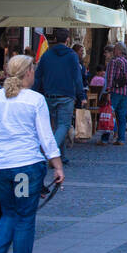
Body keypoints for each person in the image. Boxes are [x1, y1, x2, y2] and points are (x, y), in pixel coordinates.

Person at [0, 54, 63, 253]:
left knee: (9, 213)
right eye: (33, 71)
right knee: (25, 217)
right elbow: (46, 137)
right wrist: (56, 164)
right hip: (25, 165)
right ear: (27, 73)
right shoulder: (35, 100)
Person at [33, 27, 86, 156]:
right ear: (67, 40)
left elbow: (38, 76)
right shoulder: (72, 55)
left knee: (56, 126)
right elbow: (77, 78)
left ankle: (62, 156)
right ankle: (51, 151)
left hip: (49, 94)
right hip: (66, 95)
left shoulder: (47, 55)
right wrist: (82, 95)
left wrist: (33, 91)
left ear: (55, 39)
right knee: (64, 125)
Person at [100, 43, 127, 146]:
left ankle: (105, 139)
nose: (114, 51)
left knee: (108, 113)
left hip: (114, 92)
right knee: (121, 116)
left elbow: (110, 78)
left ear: (119, 51)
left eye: (115, 49)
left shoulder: (114, 62)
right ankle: (121, 139)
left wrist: (108, 91)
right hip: (124, 93)